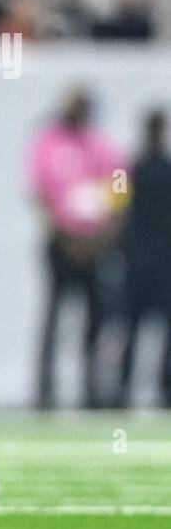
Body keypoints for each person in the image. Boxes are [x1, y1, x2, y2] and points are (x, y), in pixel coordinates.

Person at [28, 88, 126, 409]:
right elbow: (40, 194)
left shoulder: (101, 146)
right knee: (53, 318)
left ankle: (93, 389)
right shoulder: (48, 143)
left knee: (95, 320)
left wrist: (101, 239)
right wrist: (63, 236)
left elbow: (119, 194)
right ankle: (45, 390)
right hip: (61, 245)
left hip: (95, 247)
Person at [115, 110, 170, 407]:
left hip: (154, 260)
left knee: (141, 328)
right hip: (142, 260)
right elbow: (118, 212)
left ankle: (156, 387)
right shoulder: (130, 171)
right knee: (130, 328)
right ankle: (124, 387)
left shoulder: (134, 171)